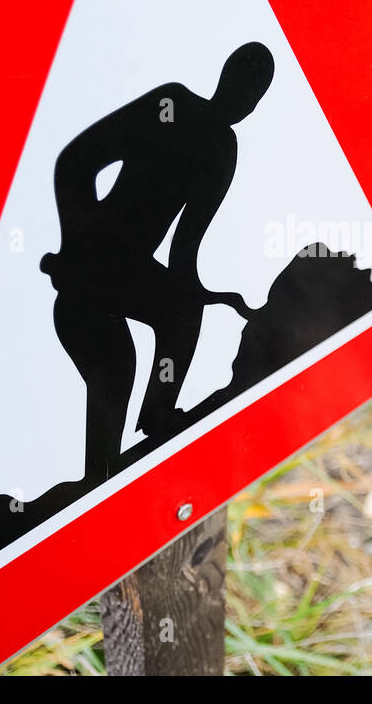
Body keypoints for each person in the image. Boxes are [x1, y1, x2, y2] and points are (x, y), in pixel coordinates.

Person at [40, 42, 275, 479]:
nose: (246, 102)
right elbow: (76, 163)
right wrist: (76, 243)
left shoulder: (223, 148)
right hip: (94, 261)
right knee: (123, 360)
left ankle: (151, 419)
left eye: (255, 95)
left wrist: (212, 296)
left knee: (162, 329)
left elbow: (184, 250)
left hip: (128, 271)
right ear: (225, 78)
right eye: (245, 86)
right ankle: (127, 447)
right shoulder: (172, 103)